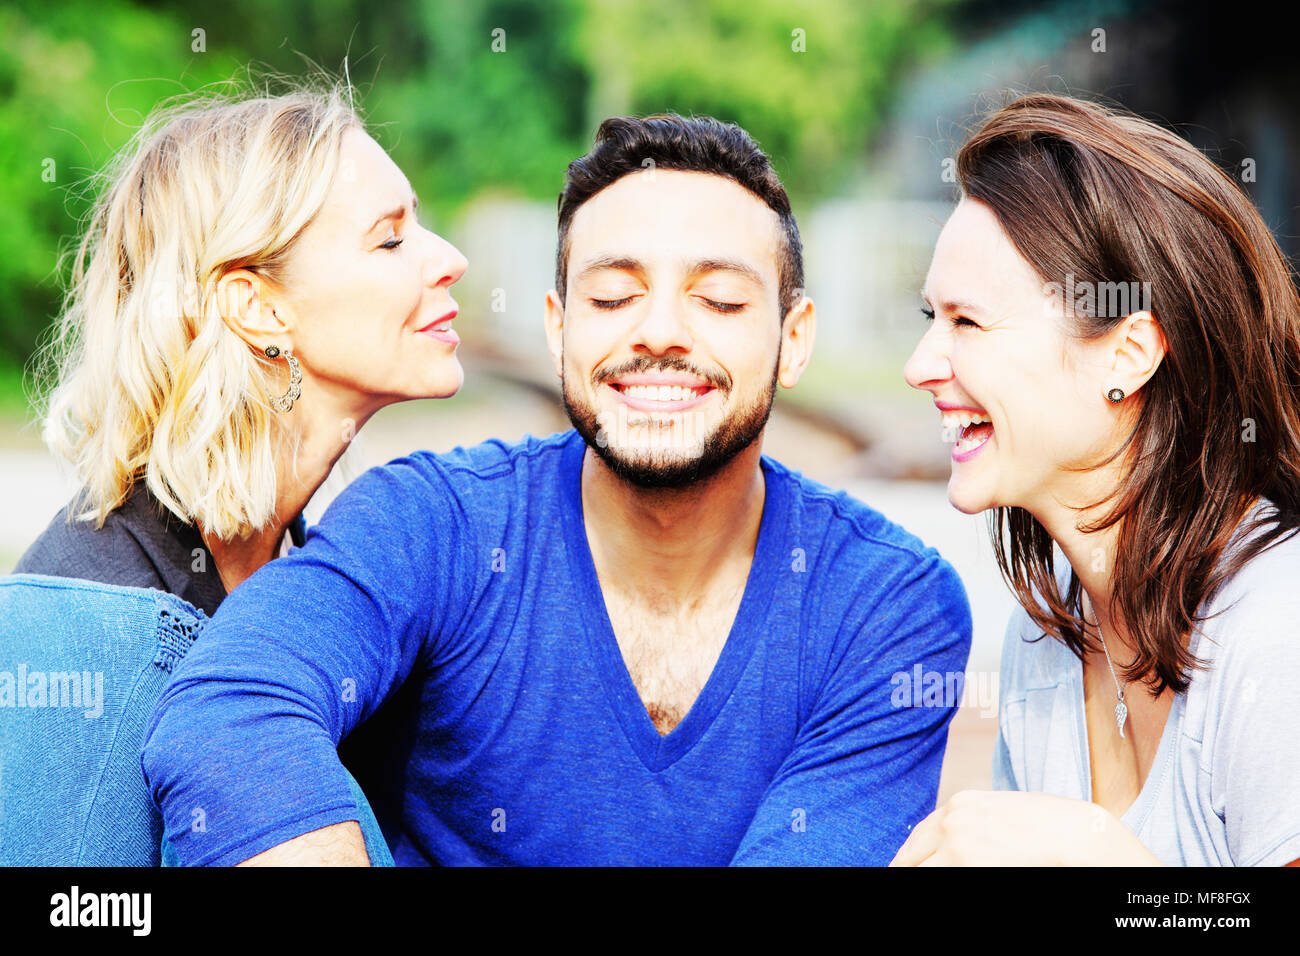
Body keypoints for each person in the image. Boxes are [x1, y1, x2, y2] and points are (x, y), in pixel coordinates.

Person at [142, 113, 972, 866]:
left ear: (792, 341)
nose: (659, 331)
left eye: (719, 299)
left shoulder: (889, 603)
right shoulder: (434, 523)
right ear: (558, 328)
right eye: (613, 296)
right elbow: (233, 710)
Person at [3, 83, 468, 865]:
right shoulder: (73, 635)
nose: (450, 261)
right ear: (256, 307)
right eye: (389, 241)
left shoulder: (322, 569)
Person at [896, 92, 1300, 866]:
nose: (921, 367)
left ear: (1127, 355)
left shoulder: (1278, 628)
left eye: (968, 322)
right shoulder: (1046, 630)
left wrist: (1104, 859)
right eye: (929, 320)